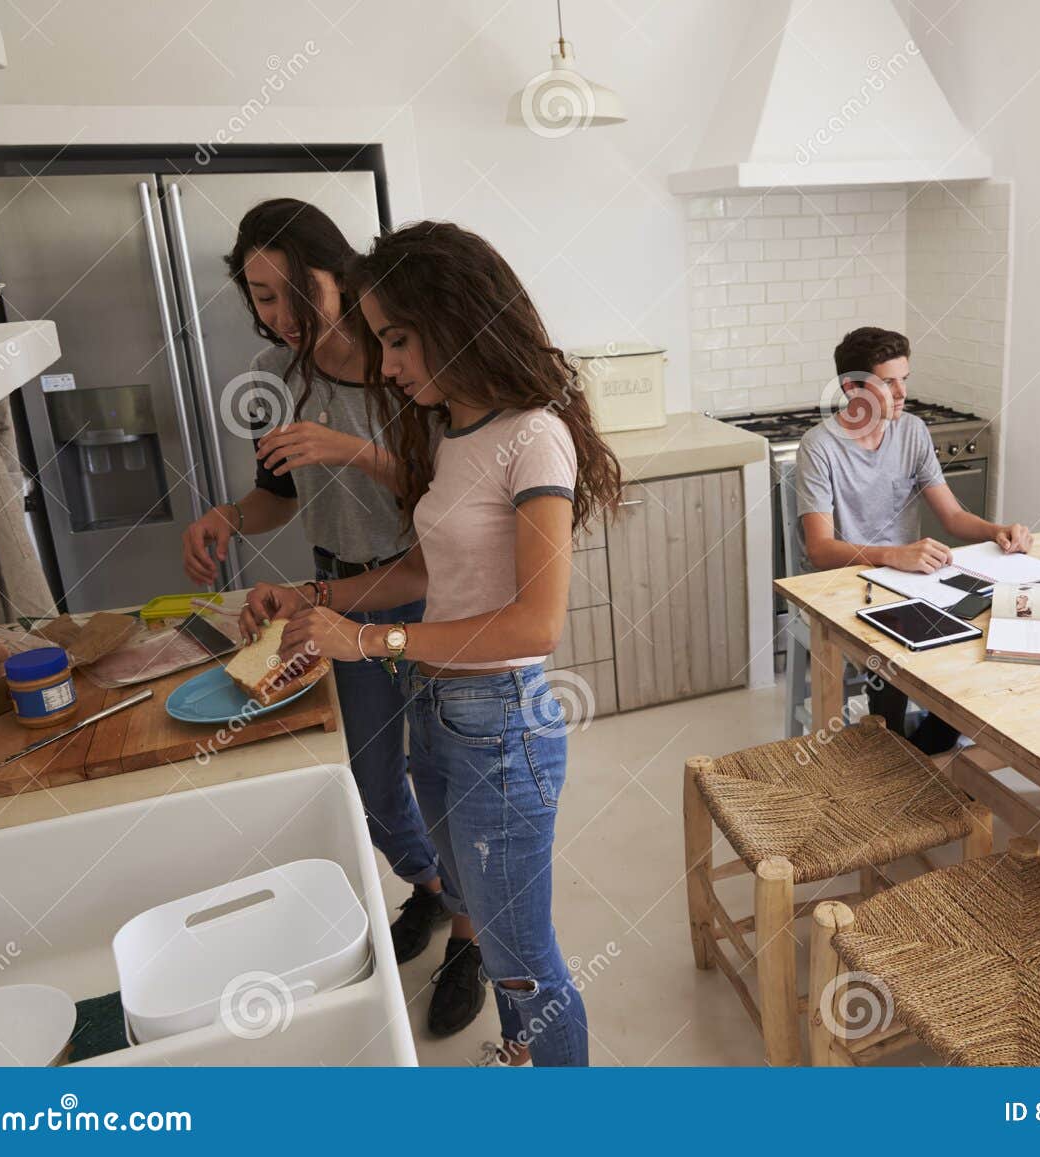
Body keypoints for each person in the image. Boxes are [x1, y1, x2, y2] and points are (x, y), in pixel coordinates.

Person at [238, 221, 621, 1068]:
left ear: (460, 316)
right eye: (381, 342)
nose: (389, 365)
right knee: (489, 927)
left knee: (523, 967)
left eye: (399, 340)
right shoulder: (451, 432)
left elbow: (533, 624)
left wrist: (366, 638)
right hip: (442, 716)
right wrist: (313, 598)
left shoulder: (534, 435)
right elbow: (420, 567)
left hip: (502, 730)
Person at [178, 199, 453, 971]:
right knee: (371, 777)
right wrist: (228, 517)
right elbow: (279, 498)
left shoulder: (406, 363)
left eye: (296, 292)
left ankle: (468, 938)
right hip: (336, 592)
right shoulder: (277, 378)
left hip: (429, 588)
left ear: (340, 274)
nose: (281, 314)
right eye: (262, 296)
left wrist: (353, 448)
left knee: (442, 770)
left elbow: (450, 493)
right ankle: (433, 886)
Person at [796, 326, 1032, 754]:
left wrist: (996, 530)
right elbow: (820, 550)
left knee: (976, 631)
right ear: (852, 387)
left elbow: (954, 517)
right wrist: (892, 555)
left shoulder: (913, 432)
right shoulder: (819, 447)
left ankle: (921, 756)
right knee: (890, 660)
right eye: (889, 382)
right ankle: (895, 753)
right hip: (847, 583)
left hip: (910, 580)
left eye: (905, 378)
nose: (902, 392)